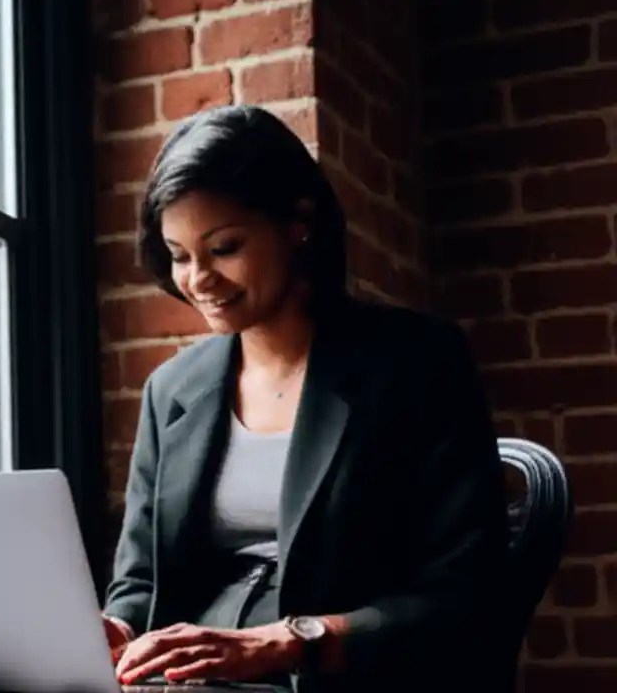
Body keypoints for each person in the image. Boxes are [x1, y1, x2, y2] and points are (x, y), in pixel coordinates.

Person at [101, 105, 507, 693]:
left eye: (225, 247)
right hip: (186, 683)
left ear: (299, 222)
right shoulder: (173, 390)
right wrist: (116, 628)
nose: (199, 279)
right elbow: (139, 582)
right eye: (179, 255)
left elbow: (465, 591)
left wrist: (294, 640)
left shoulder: (416, 363)